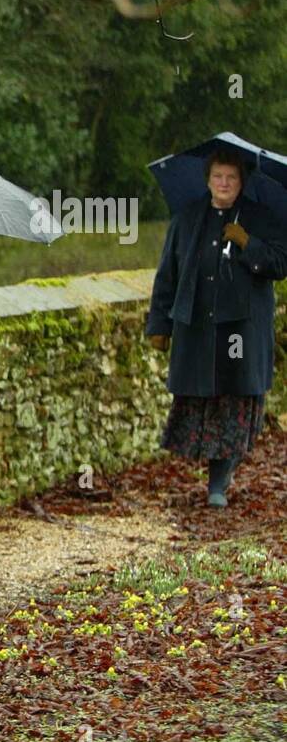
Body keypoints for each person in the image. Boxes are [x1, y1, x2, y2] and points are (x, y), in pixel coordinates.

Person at [145, 150, 287, 506]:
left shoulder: (261, 218)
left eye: (232, 178)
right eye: (218, 177)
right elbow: (168, 275)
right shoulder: (187, 218)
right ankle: (212, 475)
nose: (224, 184)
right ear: (207, 179)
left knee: (233, 404)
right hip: (198, 330)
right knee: (201, 402)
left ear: (242, 182)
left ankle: (218, 485)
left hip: (241, 333)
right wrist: (159, 324)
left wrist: (247, 243)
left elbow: (279, 264)